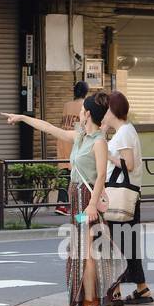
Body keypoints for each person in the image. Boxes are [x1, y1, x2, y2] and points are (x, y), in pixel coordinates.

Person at [7, 92, 122, 306]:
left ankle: (90, 300)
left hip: (86, 201)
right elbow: (49, 128)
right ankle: (91, 300)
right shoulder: (81, 138)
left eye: (81, 110)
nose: (79, 113)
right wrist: (22, 117)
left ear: (87, 114)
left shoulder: (98, 142)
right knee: (83, 252)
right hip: (77, 200)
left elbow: (100, 176)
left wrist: (90, 207)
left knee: (87, 252)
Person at [104, 90, 153, 306]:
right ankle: (141, 289)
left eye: (106, 108)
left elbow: (129, 164)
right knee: (127, 243)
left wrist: (107, 154)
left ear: (112, 110)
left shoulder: (124, 132)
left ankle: (114, 290)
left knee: (116, 243)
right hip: (127, 196)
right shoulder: (125, 130)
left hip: (120, 195)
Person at [54, 81, 90, 215]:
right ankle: (79, 207)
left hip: (63, 140)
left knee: (64, 173)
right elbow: (81, 127)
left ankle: (61, 205)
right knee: (79, 177)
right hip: (75, 142)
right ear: (86, 92)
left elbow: (64, 123)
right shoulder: (85, 106)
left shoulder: (66, 105)